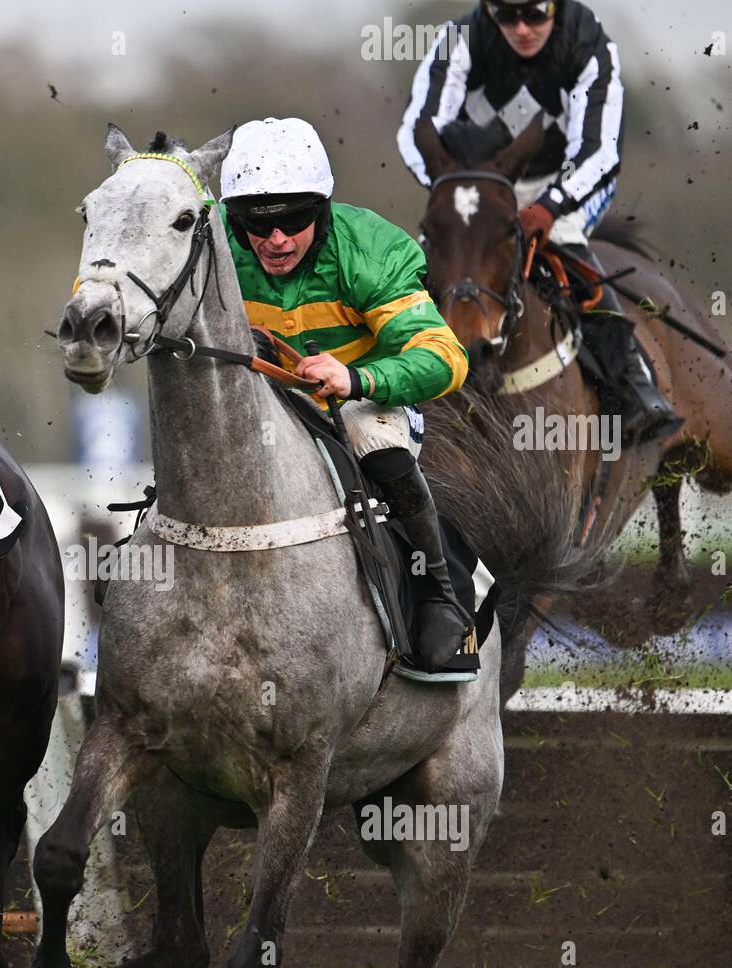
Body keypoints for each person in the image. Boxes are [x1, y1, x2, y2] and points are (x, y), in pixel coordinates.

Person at [222, 116, 473, 670]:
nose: (276, 240)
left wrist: (356, 379)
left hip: (362, 405)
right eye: (254, 226)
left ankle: (439, 593)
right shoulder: (210, 242)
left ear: (322, 210)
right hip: (257, 406)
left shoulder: (371, 250)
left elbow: (447, 357)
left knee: (370, 438)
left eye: (293, 219)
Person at [398, 0, 680, 443]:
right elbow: (420, 126)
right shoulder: (458, 40)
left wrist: (550, 206)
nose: (522, 28)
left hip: (569, 178)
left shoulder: (589, 44)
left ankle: (632, 383)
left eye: (535, 14)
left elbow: (600, 152)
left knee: (565, 242)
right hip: (482, 178)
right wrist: (451, 184)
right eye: (507, 16)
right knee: (433, 252)